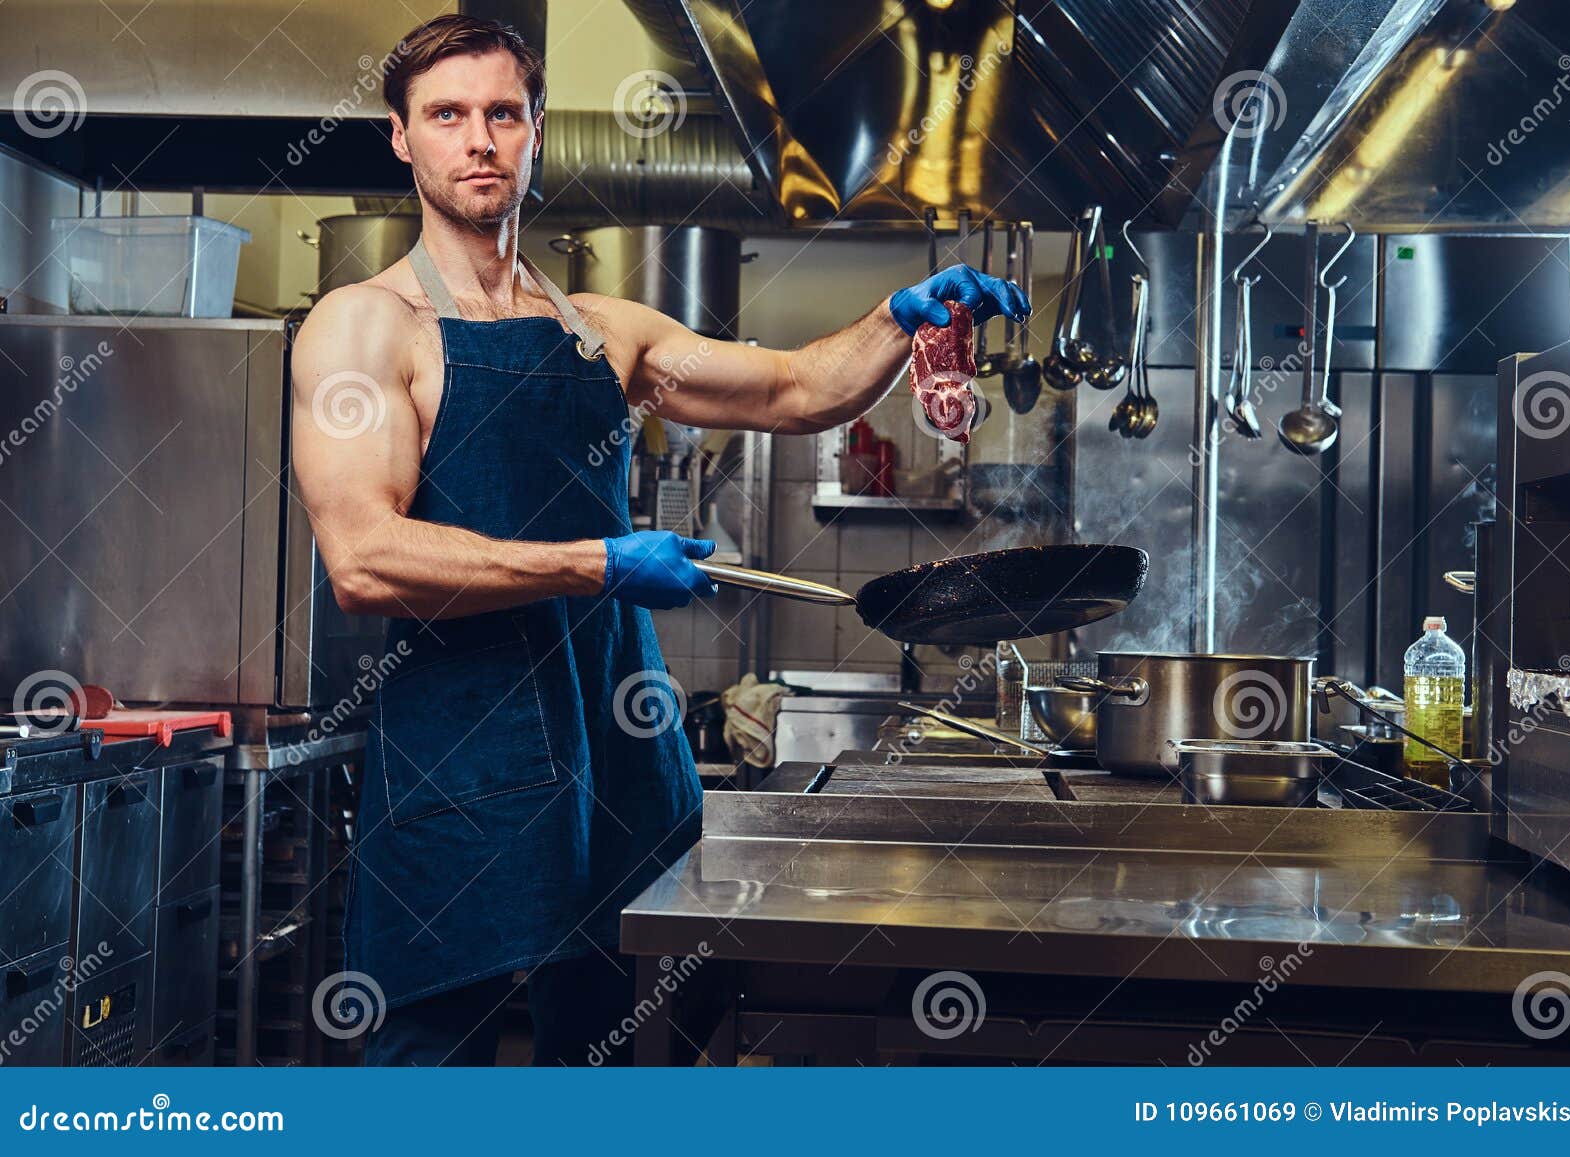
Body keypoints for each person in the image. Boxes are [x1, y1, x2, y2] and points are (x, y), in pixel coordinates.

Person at [290, 12, 1028, 1066]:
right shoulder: (366, 325)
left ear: (536, 130)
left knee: (622, 1048)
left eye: (503, 113)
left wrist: (896, 321)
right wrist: (598, 562)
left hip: (616, 748)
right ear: (403, 139)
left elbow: (789, 387)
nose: (479, 138)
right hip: (465, 743)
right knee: (426, 1047)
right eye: (446, 116)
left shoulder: (603, 328)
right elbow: (362, 557)